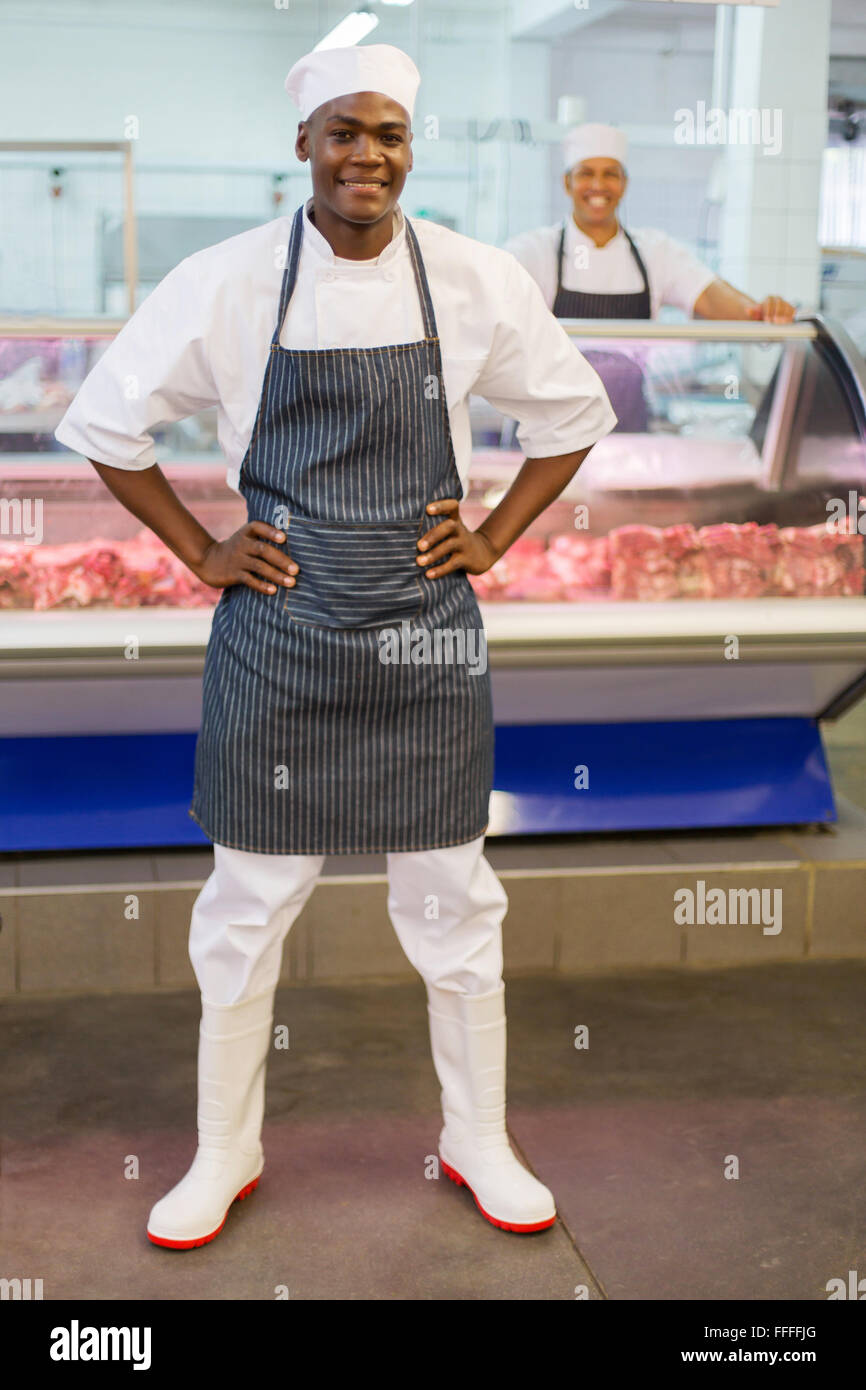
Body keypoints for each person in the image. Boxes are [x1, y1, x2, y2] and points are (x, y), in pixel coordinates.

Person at [55, 44, 617, 1249]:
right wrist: (202, 550)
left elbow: (573, 413)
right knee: (247, 902)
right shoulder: (227, 280)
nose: (368, 155)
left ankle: (478, 1139)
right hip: (281, 634)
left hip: (423, 639)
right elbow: (105, 423)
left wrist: (496, 534)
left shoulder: (467, 279)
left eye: (389, 136)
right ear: (303, 143)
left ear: (411, 149)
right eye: (344, 133)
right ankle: (224, 1150)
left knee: (456, 902)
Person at [505, 123, 796, 431]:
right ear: (567, 183)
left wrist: (761, 312)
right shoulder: (534, 250)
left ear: (624, 183)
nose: (598, 185)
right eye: (586, 173)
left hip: (628, 429)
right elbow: (493, 301)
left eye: (610, 174)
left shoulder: (655, 251)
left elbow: (710, 296)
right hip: (550, 427)